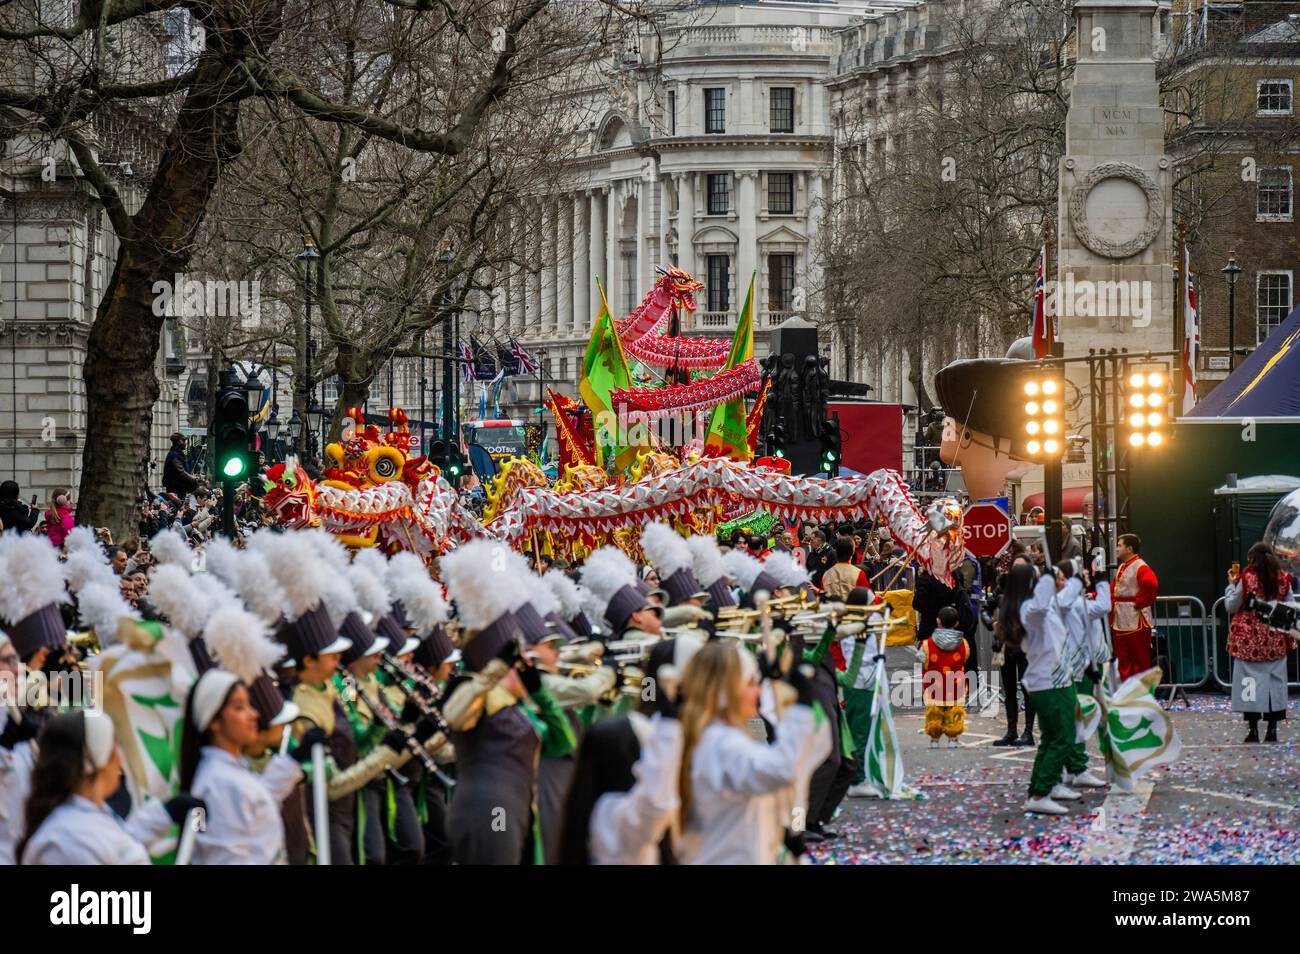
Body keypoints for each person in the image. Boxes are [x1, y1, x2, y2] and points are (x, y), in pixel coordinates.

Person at [675, 641, 830, 864]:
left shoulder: (732, 731)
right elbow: (779, 763)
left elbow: (763, 743)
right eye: (751, 684)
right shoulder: (723, 743)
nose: (757, 691)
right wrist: (802, 707)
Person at [19, 710, 203, 864]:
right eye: (115, 749)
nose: (120, 761)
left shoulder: (88, 819)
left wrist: (165, 812)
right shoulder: (66, 841)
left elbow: (116, 845)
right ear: (98, 760)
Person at [178, 667, 311, 864]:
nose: (254, 714)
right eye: (239, 707)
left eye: (249, 705)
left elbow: (261, 797)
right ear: (214, 721)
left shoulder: (231, 770)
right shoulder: (219, 784)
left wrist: (294, 758)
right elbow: (225, 858)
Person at [998, 562, 1089, 815]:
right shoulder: (1029, 608)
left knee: (1052, 737)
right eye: (1038, 578)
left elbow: (1061, 599)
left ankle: (1043, 787)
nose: (1044, 581)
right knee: (1062, 736)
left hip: (1056, 677)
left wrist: (1076, 579)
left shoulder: (1035, 605)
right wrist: (1048, 576)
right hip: (1049, 681)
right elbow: (1040, 604)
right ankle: (1041, 792)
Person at [1225, 542, 1295, 743]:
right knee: (1275, 684)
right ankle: (1272, 730)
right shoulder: (1283, 578)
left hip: (1249, 640)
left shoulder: (1247, 578)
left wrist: (1231, 585)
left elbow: (1231, 605)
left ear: (1253, 559)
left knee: (1250, 684)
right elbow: (1289, 605)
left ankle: (1253, 730)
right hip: (1275, 639)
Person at [1110, 532, 1158, 680]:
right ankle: (1127, 694)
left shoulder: (1140, 566)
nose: (1116, 549)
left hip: (1135, 618)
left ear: (1129, 549)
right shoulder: (1123, 567)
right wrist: (1095, 595)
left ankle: (1140, 695)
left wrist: (1139, 602)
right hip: (1121, 618)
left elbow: (1151, 584)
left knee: (1139, 659)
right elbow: (1113, 589)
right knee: (1123, 660)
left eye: (1119, 545)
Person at [921, 606, 969, 748]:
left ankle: (935, 739)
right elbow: (965, 658)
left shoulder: (927, 644)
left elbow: (922, 659)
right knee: (953, 710)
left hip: (934, 685)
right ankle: (952, 738)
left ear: (938, 621)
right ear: (956, 623)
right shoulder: (963, 644)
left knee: (935, 712)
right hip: (955, 685)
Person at [819, 536, 870, 601]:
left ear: (836, 552)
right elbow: (867, 598)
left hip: (830, 610)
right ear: (853, 551)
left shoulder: (826, 574)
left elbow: (823, 594)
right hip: (851, 610)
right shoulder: (859, 573)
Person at [163, 432, 202, 498]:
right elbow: (181, 472)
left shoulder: (178, 454)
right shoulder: (174, 455)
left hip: (180, 489)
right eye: (183, 440)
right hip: (176, 490)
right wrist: (194, 479)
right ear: (178, 442)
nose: (185, 443)